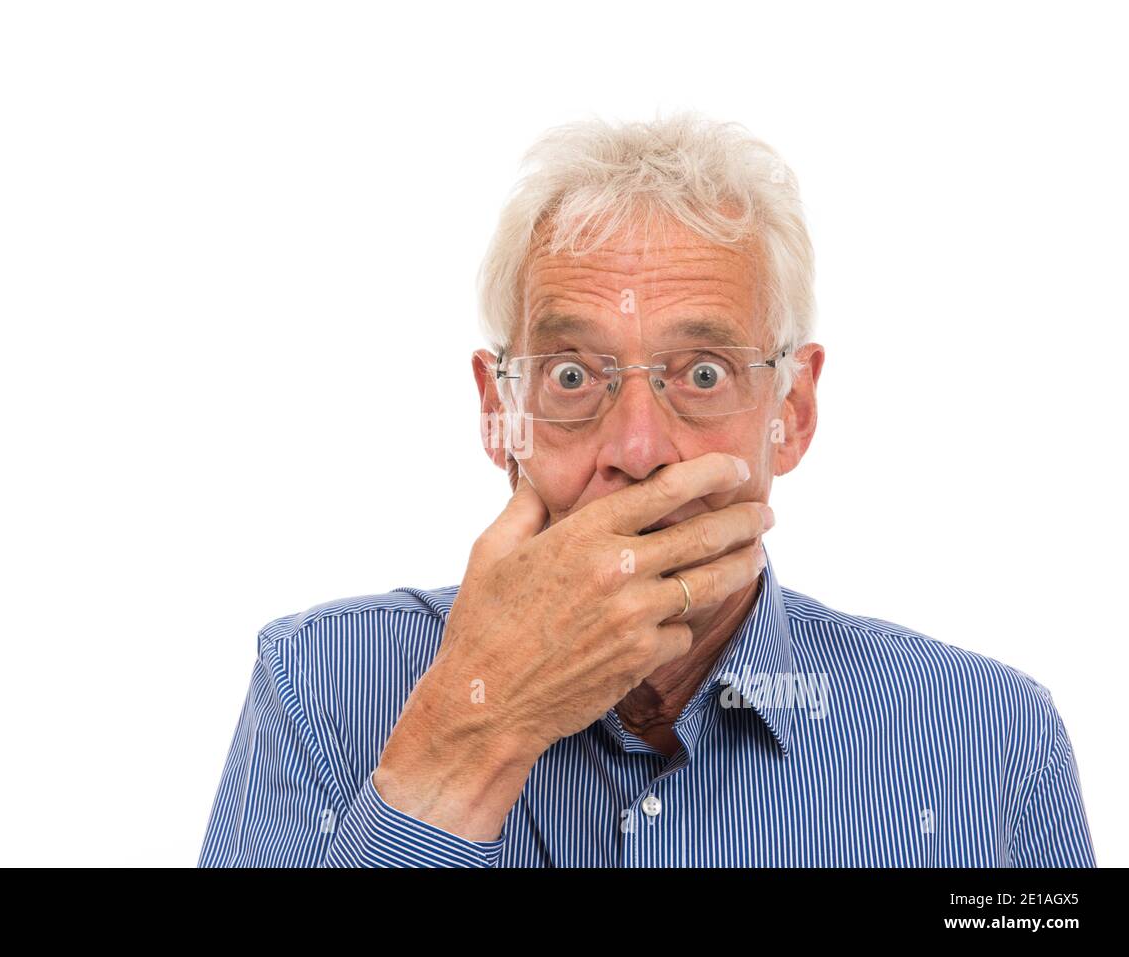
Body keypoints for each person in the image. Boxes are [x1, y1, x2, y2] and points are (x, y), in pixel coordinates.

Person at [197, 112, 1096, 867]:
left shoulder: (991, 739)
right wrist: (475, 723)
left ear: (792, 411)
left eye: (702, 374)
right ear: (498, 411)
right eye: (574, 376)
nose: (636, 447)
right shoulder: (315, 685)